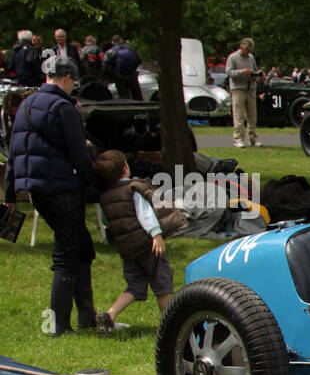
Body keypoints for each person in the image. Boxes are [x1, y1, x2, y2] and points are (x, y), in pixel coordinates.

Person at [2, 54, 99, 335]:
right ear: (67, 79)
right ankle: (58, 326)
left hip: (36, 190)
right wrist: (95, 183)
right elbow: (79, 153)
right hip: (62, 188)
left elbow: (12, 154)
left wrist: (9, 191)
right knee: (67, 254)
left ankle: (86, 316)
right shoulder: (63, 107)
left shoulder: (25, 105)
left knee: (81, 247)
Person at [91, 149, 184, 334]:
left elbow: (105, 221)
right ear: (125, 168)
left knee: (134, 287)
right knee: (162, 288)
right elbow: (145, 215)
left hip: (128, 250)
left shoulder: (106, 197)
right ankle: (172, 326)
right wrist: (156, 235)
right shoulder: (133, 189)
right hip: (148, 246)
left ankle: (110, 315)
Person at [225, 37, 261, 147]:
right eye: (247, 50)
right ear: (241, 47)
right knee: (239, 115)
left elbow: (254, 69)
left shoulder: (251, 58)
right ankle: (238, 139)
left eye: (250, 51)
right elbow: (228, 72)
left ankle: (253, 138)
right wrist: (242, 72)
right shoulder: (232, 57)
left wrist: (256, 75)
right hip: (238, 88)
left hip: (250, 88)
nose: (248, 53)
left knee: (252, 116)